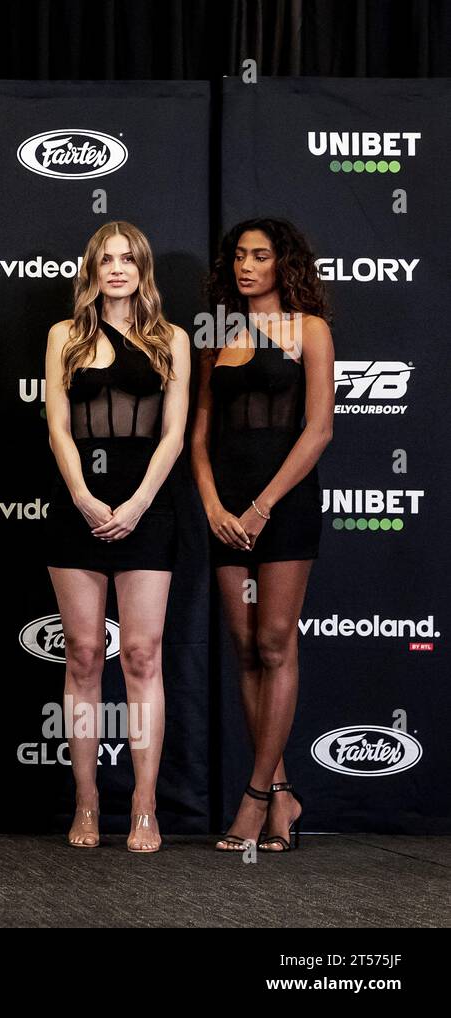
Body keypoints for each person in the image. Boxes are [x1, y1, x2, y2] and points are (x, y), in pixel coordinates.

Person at [43, 222, 190, 852]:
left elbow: (175, 436)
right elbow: (57, 428)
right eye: (106, 260)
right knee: (81, 657)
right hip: (76, 503)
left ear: (143, 269)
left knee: (141, 655)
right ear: (92, 270)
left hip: (147, 504)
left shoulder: (173, 340)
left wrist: (135, 504)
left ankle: (144, 806)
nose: (118, 269)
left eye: (128, 259)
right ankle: (86, 802)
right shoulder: (64, 336)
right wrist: (81, 496)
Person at [191, 218, 332, 853]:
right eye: (240, 256)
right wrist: (218, 506)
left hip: (285, 507)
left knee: (276, 643)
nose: (248, 266)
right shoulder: (214, 334)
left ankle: (253, 798)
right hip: (225, 513)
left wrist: (261, 507)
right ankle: (281, 793)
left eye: (262, 256)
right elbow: (199, 436)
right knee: (245, 647)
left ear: (284, 264)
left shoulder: (309, 331)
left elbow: (319, 429)